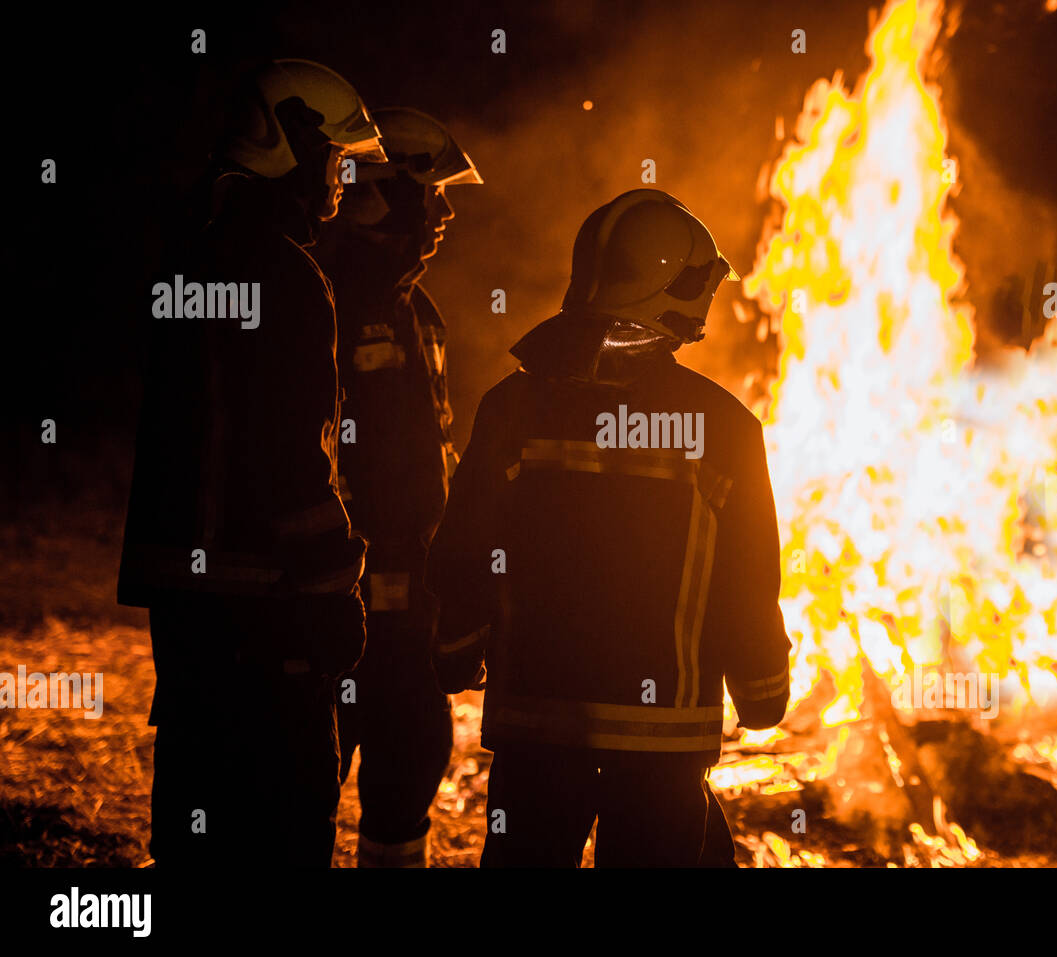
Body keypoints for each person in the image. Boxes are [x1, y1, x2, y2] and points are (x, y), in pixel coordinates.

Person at [426, 188, 791, 867]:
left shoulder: (512, 407)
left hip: (534, 730)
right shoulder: (724, 427)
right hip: (663, 746)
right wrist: (763, 690)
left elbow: (465, 549)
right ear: (671, 291)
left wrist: (454, 648)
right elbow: (748, 585)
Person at [118, 59, 385, 866]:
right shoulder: (288, 276)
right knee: (283, 822)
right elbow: (289, 459)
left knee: (197, 819)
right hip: (268, 609)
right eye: (336, 158)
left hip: (190, 612)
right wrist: (336, 587)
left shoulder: (194, 252)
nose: (341, 181)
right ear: (291, 142)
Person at [313, 108, 483, 867]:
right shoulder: (317, 304)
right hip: (334, 605)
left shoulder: (420, 314)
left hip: (409, 609)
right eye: (430, 195)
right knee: (303, 781)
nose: (443, 214)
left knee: (411, 763)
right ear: (379, 196)